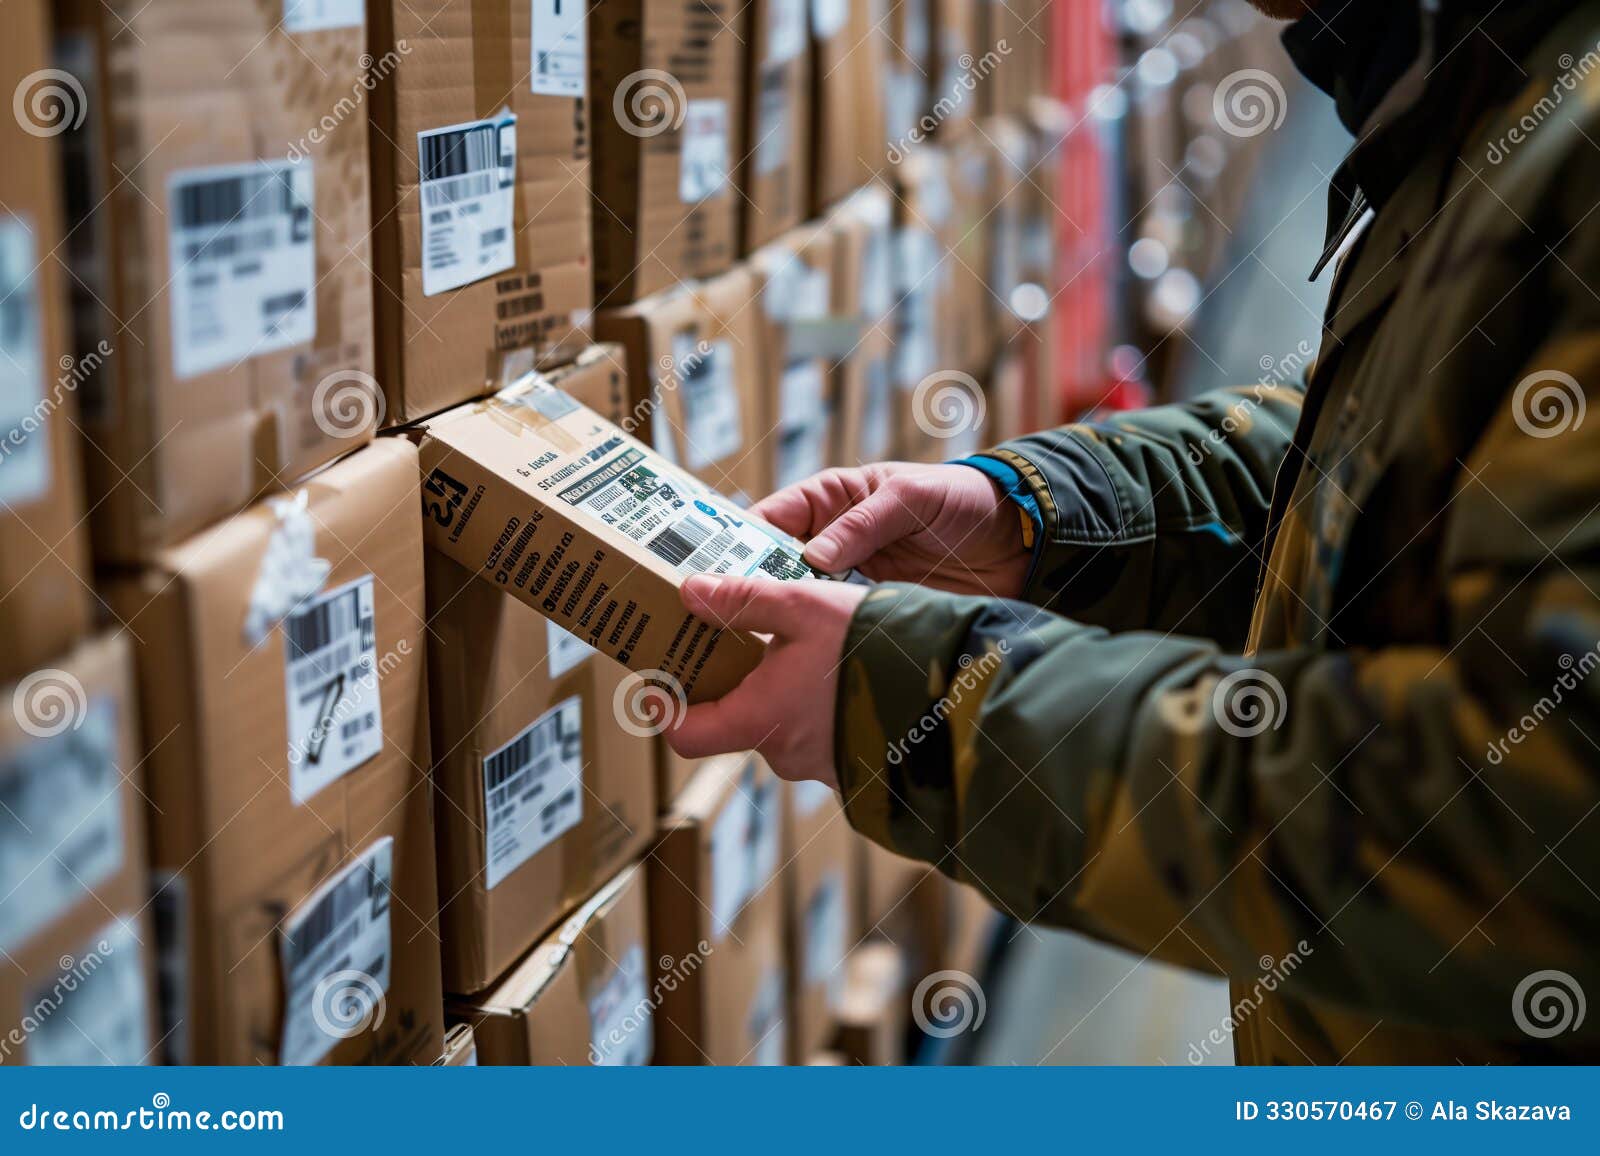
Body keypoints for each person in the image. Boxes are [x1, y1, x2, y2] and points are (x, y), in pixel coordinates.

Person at [668, 0, 1600, 1063]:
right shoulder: (1485, 92)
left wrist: (919, 700)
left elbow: (1537, 811)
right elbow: (1393, 465)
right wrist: (1044, 513)